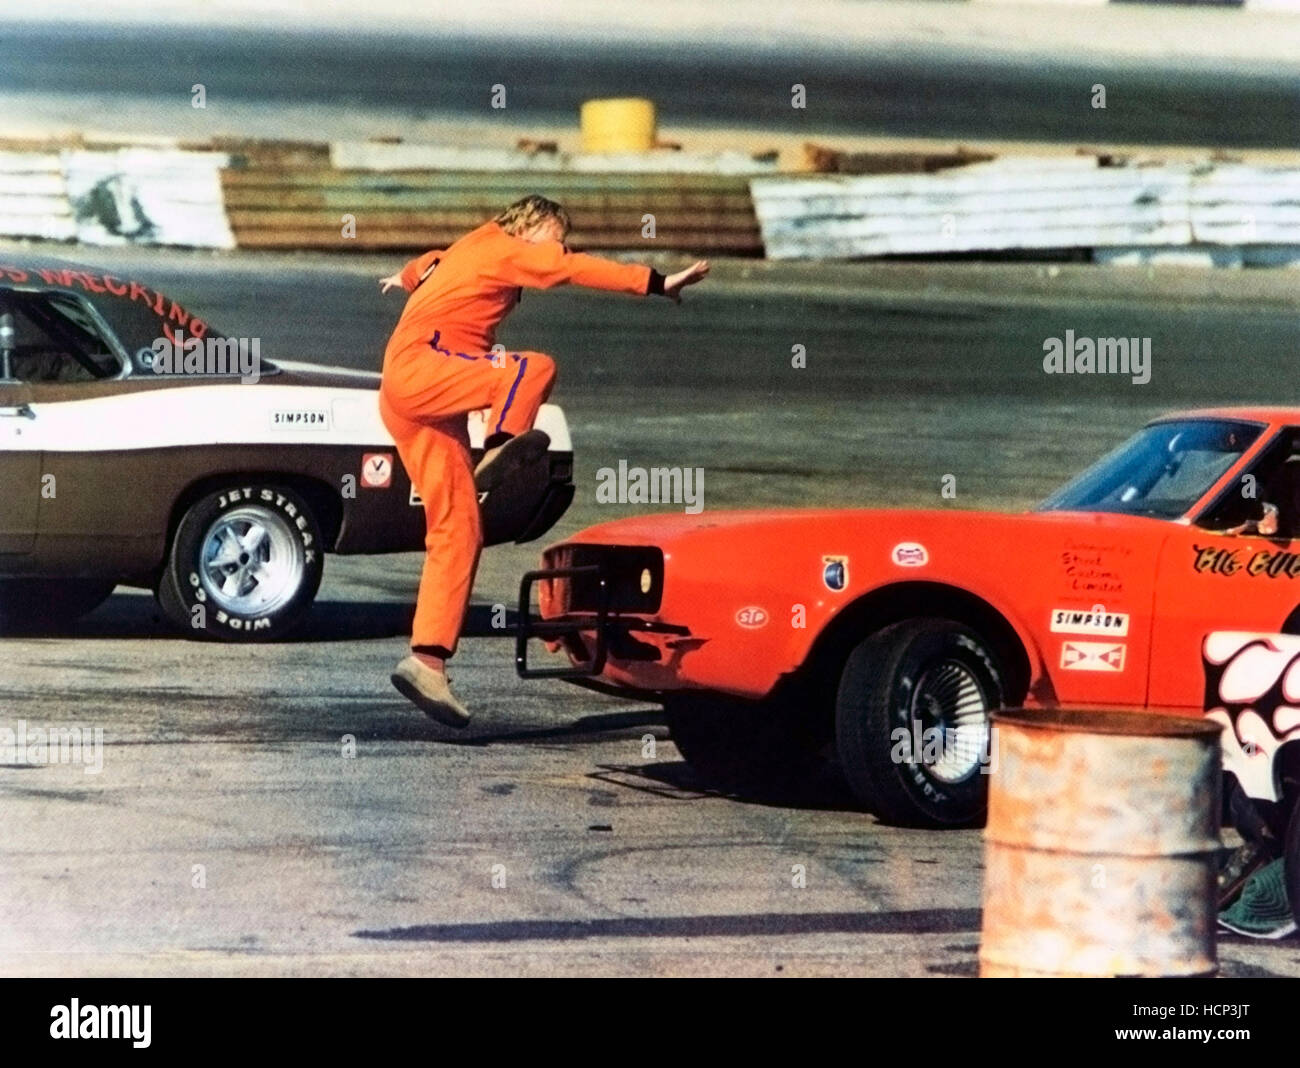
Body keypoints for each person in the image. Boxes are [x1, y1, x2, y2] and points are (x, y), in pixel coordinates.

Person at [378, 194, 709, 726]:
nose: (562, 247)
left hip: (406, 397)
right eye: (558, 235)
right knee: (532, 368)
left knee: (459, 530)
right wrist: (654, 281)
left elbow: (428, 264)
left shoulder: (465, 248)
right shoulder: (508, 248)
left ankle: (427, 662)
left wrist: (403, 277)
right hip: (426, 372)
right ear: (532, 225)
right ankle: (503, 443)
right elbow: (572, 270)